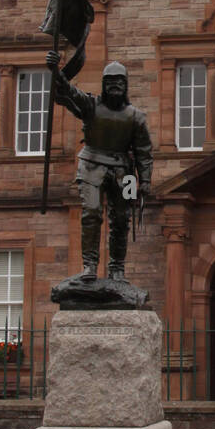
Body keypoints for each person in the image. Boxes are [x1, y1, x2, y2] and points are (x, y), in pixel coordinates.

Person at [45, 53, 153, 281]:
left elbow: (144, 152)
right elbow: (70, 92)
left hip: (125, 173)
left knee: (122, 219)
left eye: (120, 82)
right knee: (91, 211)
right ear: (104, 85)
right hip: (91, 165)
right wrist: (56, 71)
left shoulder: (136, 117)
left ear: (126, 85)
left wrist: (144, 181)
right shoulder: (90, 105)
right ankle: (90, 265)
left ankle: (117, 268)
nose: (115, 86)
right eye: (111, 82)